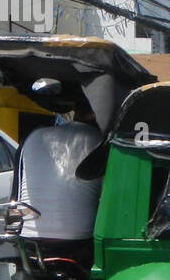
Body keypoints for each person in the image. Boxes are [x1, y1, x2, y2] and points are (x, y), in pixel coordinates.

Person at [16, 104, 104, 265]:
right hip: (78, 244)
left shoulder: (34, 136)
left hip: (28, 241)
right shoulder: (102, 142)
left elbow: (16, 196)